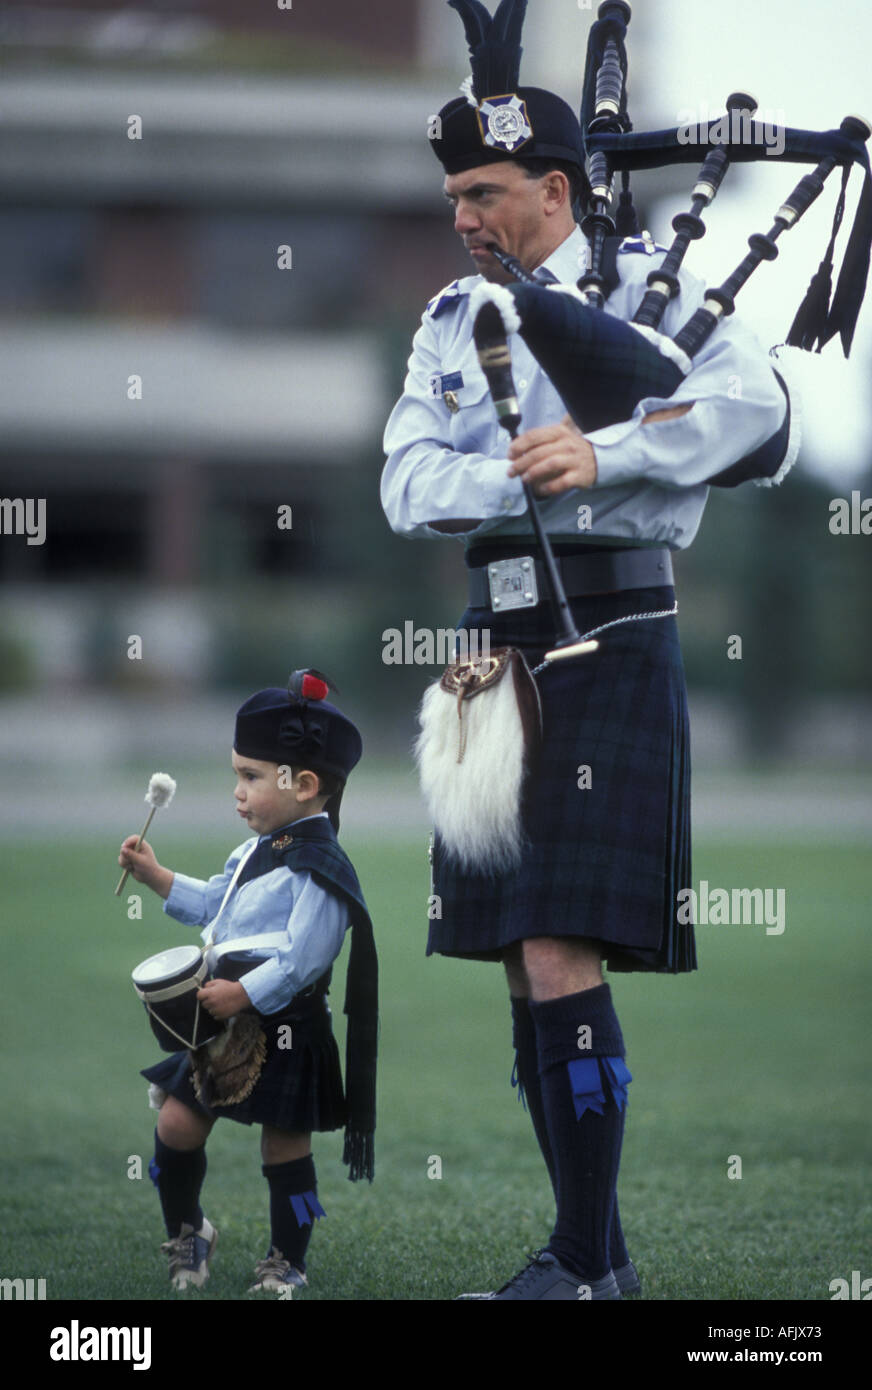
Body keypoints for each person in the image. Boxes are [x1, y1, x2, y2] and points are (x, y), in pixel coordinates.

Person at [381, 0, 787, 1300]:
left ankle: (576, 1259)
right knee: (519, 949)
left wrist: (607, 449)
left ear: (555, 188)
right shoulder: (450, 317)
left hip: (612, 628)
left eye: (486, 192)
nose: (462, 218)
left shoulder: (644, 295)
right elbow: (405, 480)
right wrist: (529, 484)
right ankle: (593, 1262)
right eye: (452, 193)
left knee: (560, 942)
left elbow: (760, 415)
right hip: (492, 642)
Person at [119, 671, 378, 1296]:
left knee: (283, 1148)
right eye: (238, 774)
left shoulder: (321, 867)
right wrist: (158, 878)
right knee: (177, 1125)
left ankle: (287, 1258)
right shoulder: (251, 850)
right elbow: (216, 903)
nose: (238, 792)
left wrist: (243, 994)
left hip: (284, 1027)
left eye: (251, 777)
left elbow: (302, 959)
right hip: (217, 1021)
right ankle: (190, 1231)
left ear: (306, 785)